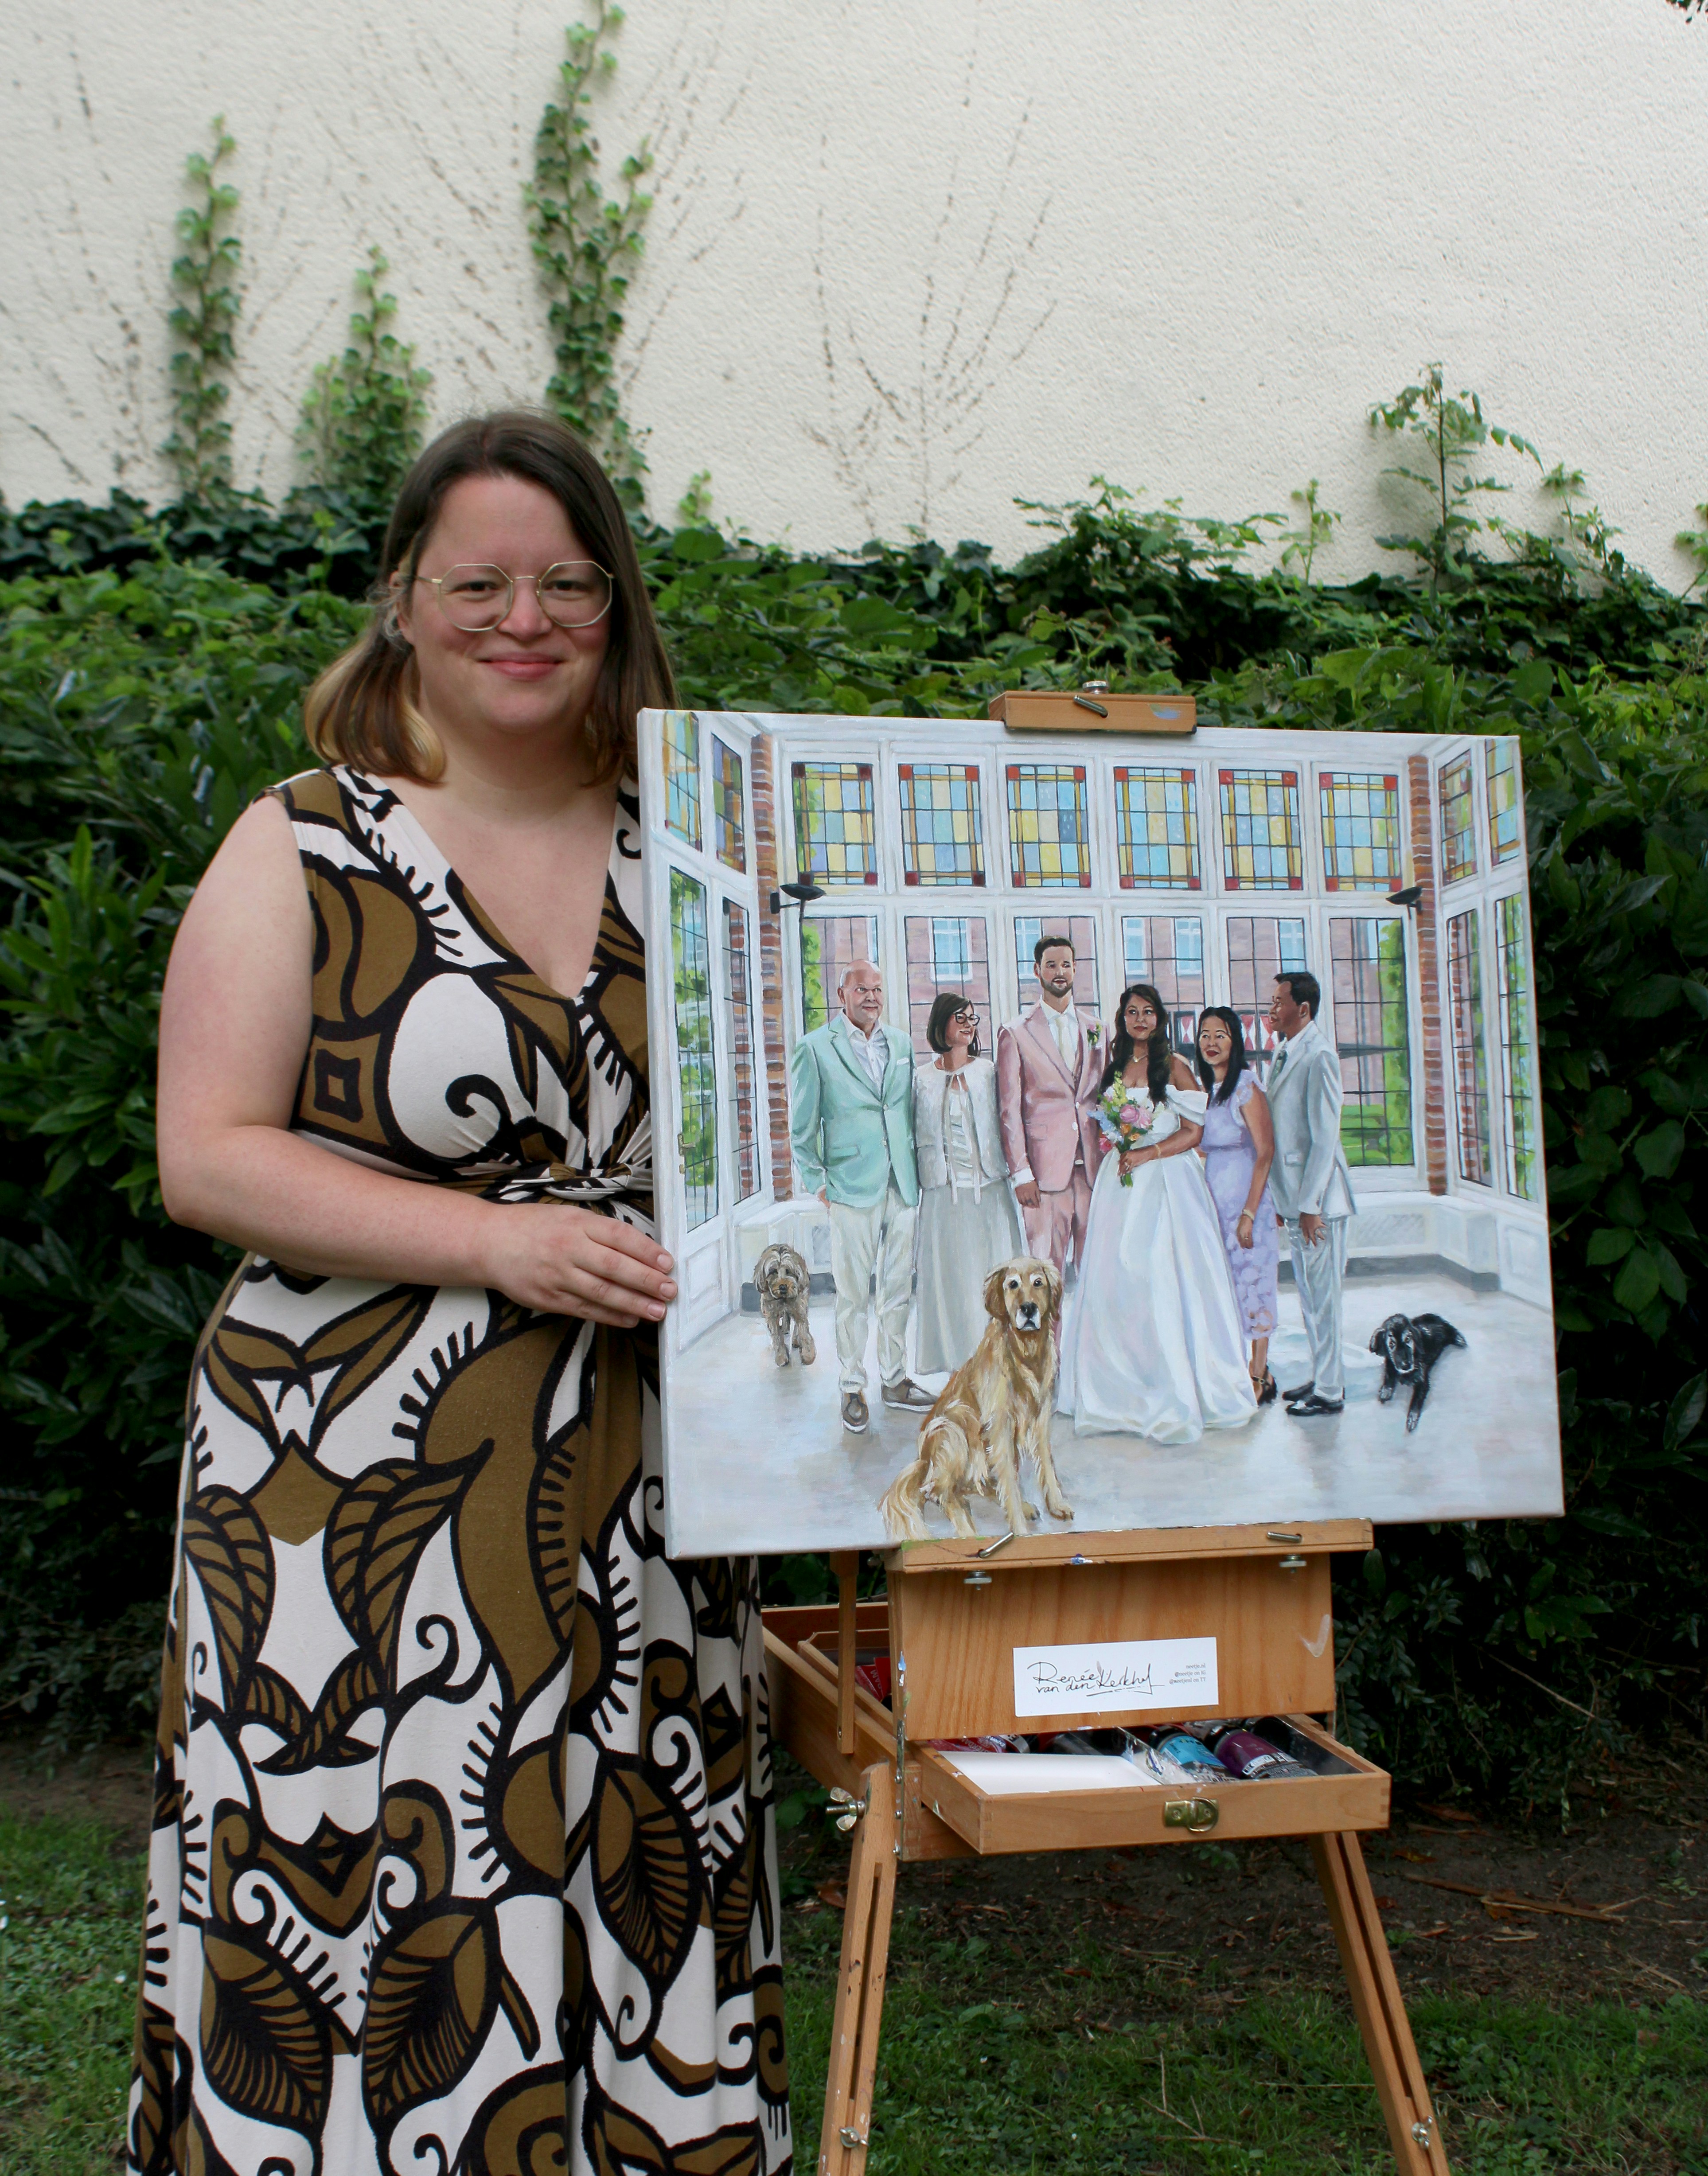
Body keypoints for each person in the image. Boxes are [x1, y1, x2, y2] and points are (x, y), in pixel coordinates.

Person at [131, 413, 791, 2176]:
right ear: (405, 602)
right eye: (480, 581)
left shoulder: (706, 853)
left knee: (640, 1863)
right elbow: (208, 1155)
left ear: (617, 605)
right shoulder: (306, 843)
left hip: (650, 1490)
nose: (526, 616)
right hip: (350, 1498)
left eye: (568, 581)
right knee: (389, 1897)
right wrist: (496, 1242)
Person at [1057, 985, 1257, 1444]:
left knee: (1165, 1279)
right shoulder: (1113, 1066)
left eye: (1148, 1012)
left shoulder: (1177, 1067)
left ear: (1159, 1018)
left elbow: (1194, 1132)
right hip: (1120, 1183)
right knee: (1118, 1281)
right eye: (1132, 1012)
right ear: (1122, 1019)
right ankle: (1120, 1391)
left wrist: (1150, 1153)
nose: (1140, 1019)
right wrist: (1124, 1147)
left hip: (1168, 1183)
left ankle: (1176, 1386)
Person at [788, 958, 931, 1432]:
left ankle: (894, 1378)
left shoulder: (902, 1043)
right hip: (849, 1186)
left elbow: (906, 1109)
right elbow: (802, 1128)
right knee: (851, 1295)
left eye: (877, 988)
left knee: (897, 1289)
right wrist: (818, 1182)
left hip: (901, 1183)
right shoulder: (813, 1049)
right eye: (861, 989)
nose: (871, 996)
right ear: (841, 993)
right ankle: (851, 1385)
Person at [911, 992, 1027, 1374]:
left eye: (973, 1019)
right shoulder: (922, 1079)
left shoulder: (988, 1072)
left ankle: (1001, 1363)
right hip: (944, 1197)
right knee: (953, 1283)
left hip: (990, 1194)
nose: (968, 1024)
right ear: (940, 1023)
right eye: (959, 1017)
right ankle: (959, 1365)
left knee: (992, 1277)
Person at [1266, 968, 1357, 1418]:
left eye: (1278, 1000)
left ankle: (1330, 1391)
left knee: (1324, 1299)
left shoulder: (1319, 1054)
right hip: (1296, 1200)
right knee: (1309, 1298)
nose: (1271, 1007)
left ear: (1302, 1008)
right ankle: (1321, 1378)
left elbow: (1324, 1138)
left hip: (1318, 1204)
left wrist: (1309, 1206)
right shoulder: (1285, 1049)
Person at [994, 935, 1103, 1286]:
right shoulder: (1015, 1032)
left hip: (1092, 1173)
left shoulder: (1096, 1030)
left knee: (1096, 1277)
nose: (1060, 972)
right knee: (1044, 1281)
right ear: (1037, 970)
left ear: (1075, 970)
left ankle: (1090, 1345)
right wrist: (1021, 1174)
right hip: (1043, 1178)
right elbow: (1008, 1110)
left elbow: (1101, 1097)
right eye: (1052, 965)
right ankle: (1048, 1345)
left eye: (1067, 965)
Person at [1194, 1006, 1280, 1404]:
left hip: (1249, 1207)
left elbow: (1266, 1152)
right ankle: (1237, 1367)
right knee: (1227, 1287)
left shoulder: (1246, 1085)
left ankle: (1260, 1372)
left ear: (1236, 1041)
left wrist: (1249, 1213)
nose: (1211, 1044)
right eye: (1205, 1035)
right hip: (1216, 1206)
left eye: (1221, 1035)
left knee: (1255, 1284)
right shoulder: (1206, 1091)